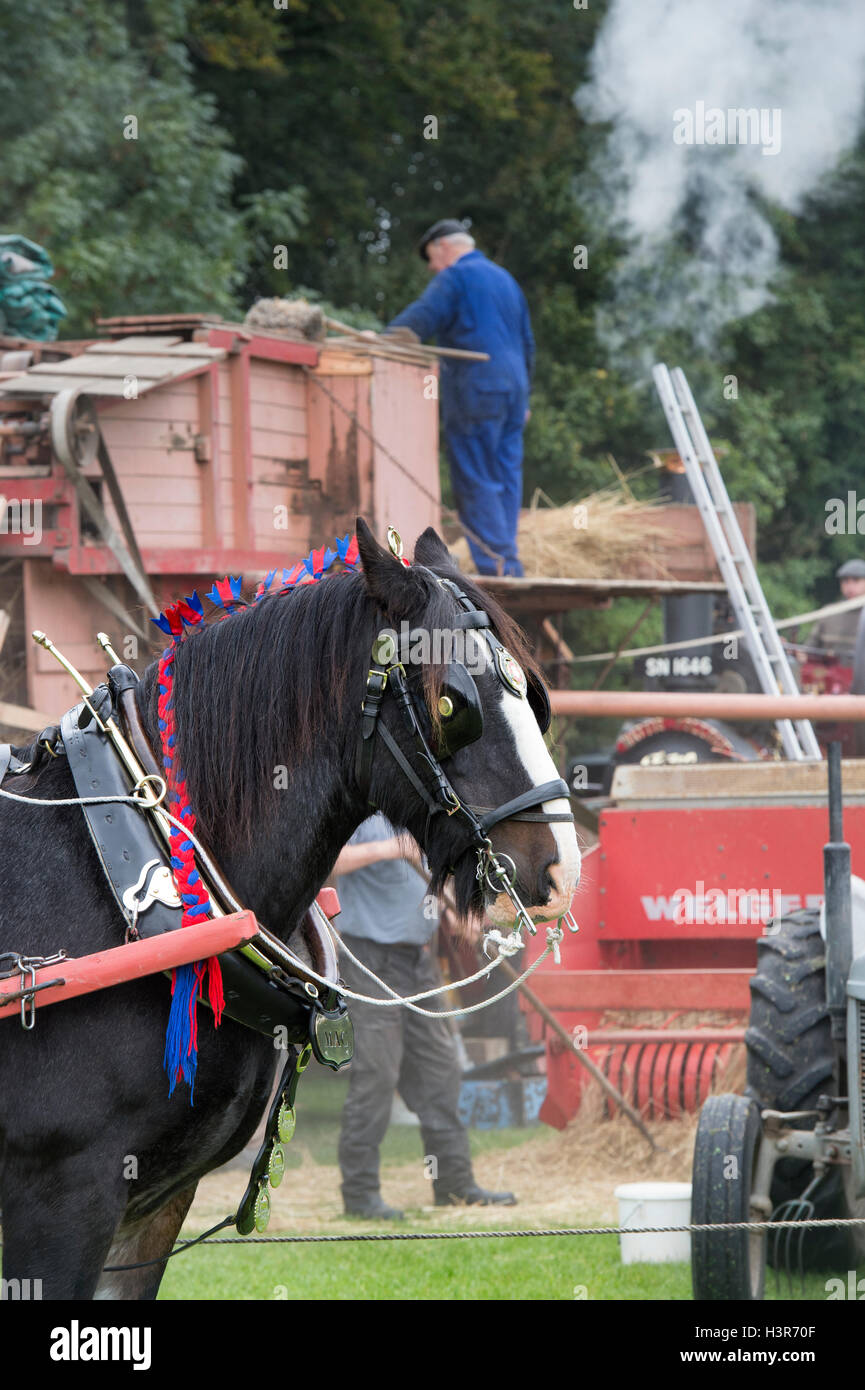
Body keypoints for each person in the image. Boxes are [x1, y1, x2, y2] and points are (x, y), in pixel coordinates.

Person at [333, 813, 517, 1219]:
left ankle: (454, 1185)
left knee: (442, 1071)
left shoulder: (417, 809)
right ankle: (360, 1195)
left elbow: (432, 874)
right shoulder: (360, 811)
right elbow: (329, 863)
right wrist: (390, 848)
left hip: (418, 960)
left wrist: (456, 913)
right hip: (368, 959)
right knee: (377, 1074)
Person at [385, 220, 534, 578]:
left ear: (443, 248)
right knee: (505, 474)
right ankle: (508, 559)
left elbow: (420, 319)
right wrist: (525, 397)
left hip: (476, 386)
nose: (433, 269)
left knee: (476, 475)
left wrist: (383, 339)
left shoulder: (455, 277)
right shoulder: (506, 280)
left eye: (432, 260)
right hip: (514, 390)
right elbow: (527, 342)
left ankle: (495, 564)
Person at [808, 559, 865, 664]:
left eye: (856, 580)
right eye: (845, 581)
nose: (850, 586)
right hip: (830, 677)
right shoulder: (828, 613)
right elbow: (808, 652)